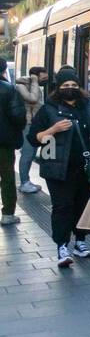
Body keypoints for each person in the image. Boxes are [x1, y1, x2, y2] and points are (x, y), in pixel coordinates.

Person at [28, 67, 90, 267]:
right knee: (63, 207)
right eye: (65, 85)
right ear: (58, 87)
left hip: (87, 169)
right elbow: (34, 138)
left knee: (83, 206)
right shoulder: (48, 109)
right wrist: (53, 129)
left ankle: (80, 242)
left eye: (74, 85)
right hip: (58, 169)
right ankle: (62, 246)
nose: (70, 88)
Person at [15, 66, 47, 193]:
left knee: (32, 153)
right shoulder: (21, 86)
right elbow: (32, 99)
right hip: (28, 124)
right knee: (27, 154)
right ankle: (24, 182)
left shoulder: (36, 86)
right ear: (35, 76)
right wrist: (34, 81)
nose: (46, 79)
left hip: (35, 123)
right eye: (43, 76)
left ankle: (27, 180)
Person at [0, 72, 25, 225]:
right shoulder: (8, 89)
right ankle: (8, 213)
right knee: (7, 177)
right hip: (4, 141)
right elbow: (18, 116)